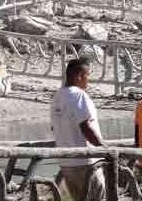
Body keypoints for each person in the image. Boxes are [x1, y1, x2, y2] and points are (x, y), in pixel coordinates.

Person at [52, 57, 106, 201]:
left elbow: (55, 127)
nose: (89, 80)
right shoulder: (79, 95)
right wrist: (104, 148)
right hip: (86, 162)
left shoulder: (57, 96)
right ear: (80, 76)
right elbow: (86, 127)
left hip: (66, 162)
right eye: (88, 75)